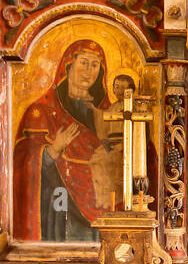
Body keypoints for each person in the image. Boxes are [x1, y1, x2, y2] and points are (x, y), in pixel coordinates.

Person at [14, 40, 121, 241]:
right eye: (84, 63)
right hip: (63, 206)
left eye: (95, 65)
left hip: (107, 202)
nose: (89, 71)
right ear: (68, 65)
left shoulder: (111, 113)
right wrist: (52, 150)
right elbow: (21, 160)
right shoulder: (43, 111)